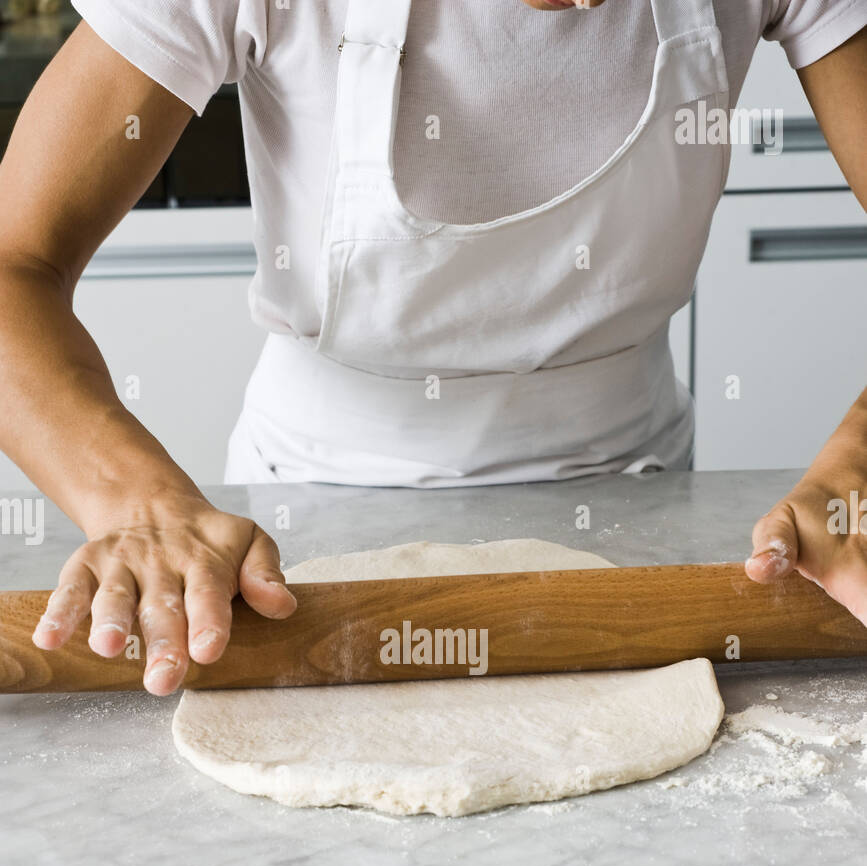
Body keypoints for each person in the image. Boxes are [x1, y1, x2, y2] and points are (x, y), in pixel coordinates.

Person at [0, 0, 865, 695]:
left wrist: (858, 459)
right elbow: (14, 263)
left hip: (635, 514)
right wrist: (142, 510)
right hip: (296, 537)